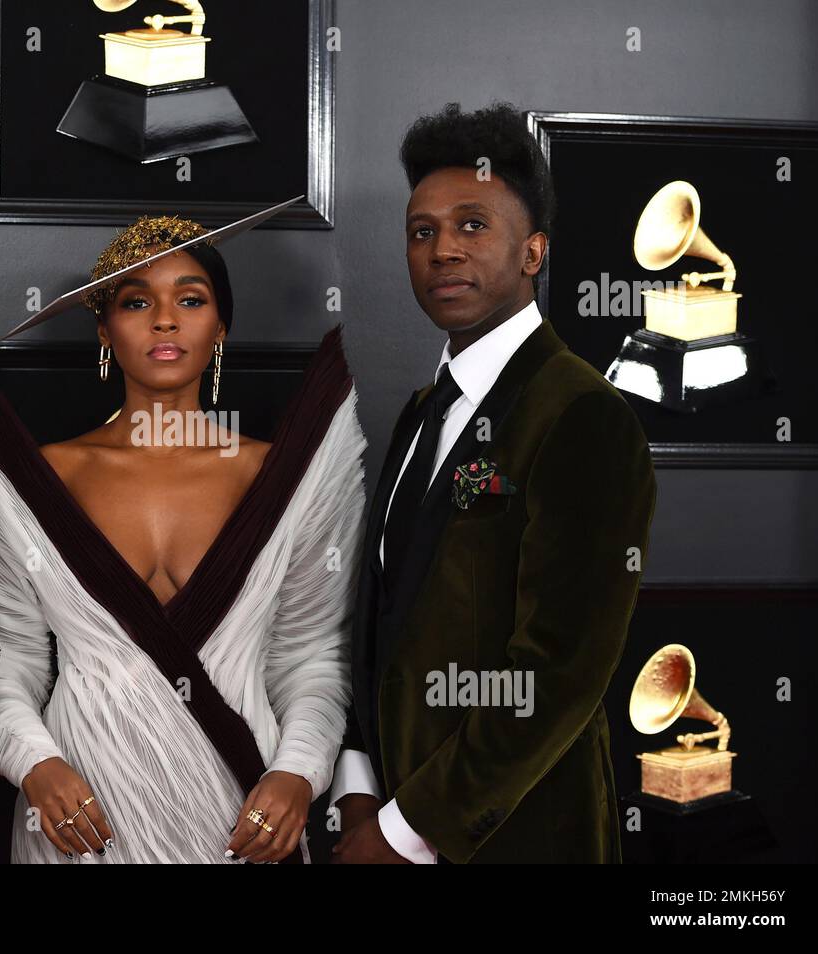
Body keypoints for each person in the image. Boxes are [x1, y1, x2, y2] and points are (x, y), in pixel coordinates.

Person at [0, 215, 366, 863]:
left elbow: (309, 658)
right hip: (81, 813)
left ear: (221, 327)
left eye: (191, 299)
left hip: (243, 809)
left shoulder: (284, 475)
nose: (165, 320)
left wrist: (298, 772)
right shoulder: (40, 476)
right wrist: (35, 764)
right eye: (138, 300)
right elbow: (6, 659)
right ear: (103, 328)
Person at [330, 102, 657, 864]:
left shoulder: (583, 414)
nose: (443, 249)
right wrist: (356, 787)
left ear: (533, 252)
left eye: (472, 225)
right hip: (382, 818)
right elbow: (381, 619)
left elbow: (558, 671)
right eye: (423, 231)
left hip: (520, 838)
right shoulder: (422, 414)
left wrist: (406, 832)